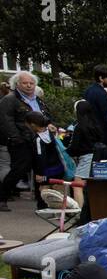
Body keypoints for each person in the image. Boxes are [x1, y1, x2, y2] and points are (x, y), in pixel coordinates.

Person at [0, 70, 56, 210]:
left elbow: (46, 117)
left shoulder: (38, 99)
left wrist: (51, 125)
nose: (29, 86)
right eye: (25, 83)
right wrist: (16, 137)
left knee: (41, 170)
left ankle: (41, 202)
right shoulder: (9, 100)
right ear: (17, 84)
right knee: (19, 169)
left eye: (31, 83)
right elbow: (5, 121)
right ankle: (2, 197)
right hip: (21, 141)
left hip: (40, 140)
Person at [81, 64, 107, 141]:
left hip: (90, 132)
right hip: (102, 134)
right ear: (101, 78)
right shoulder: (102, 93)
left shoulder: (88, 90)